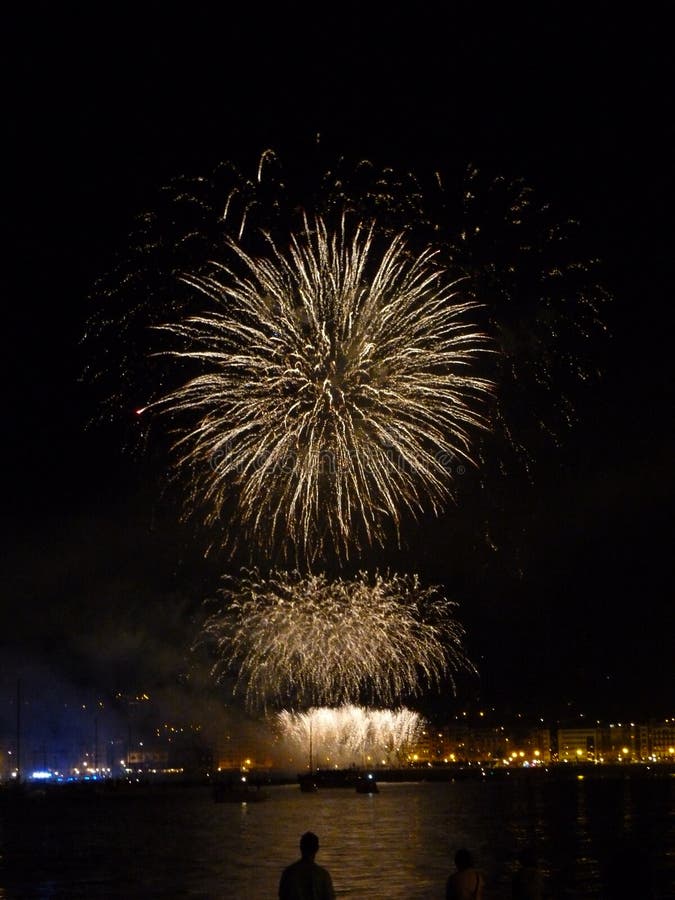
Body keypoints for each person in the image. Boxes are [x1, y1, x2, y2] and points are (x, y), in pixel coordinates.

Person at [279, 831, 336, 900]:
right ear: (317, 849)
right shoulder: (323, 875)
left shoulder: (288, 873)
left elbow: (282, 896)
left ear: (301, 847)